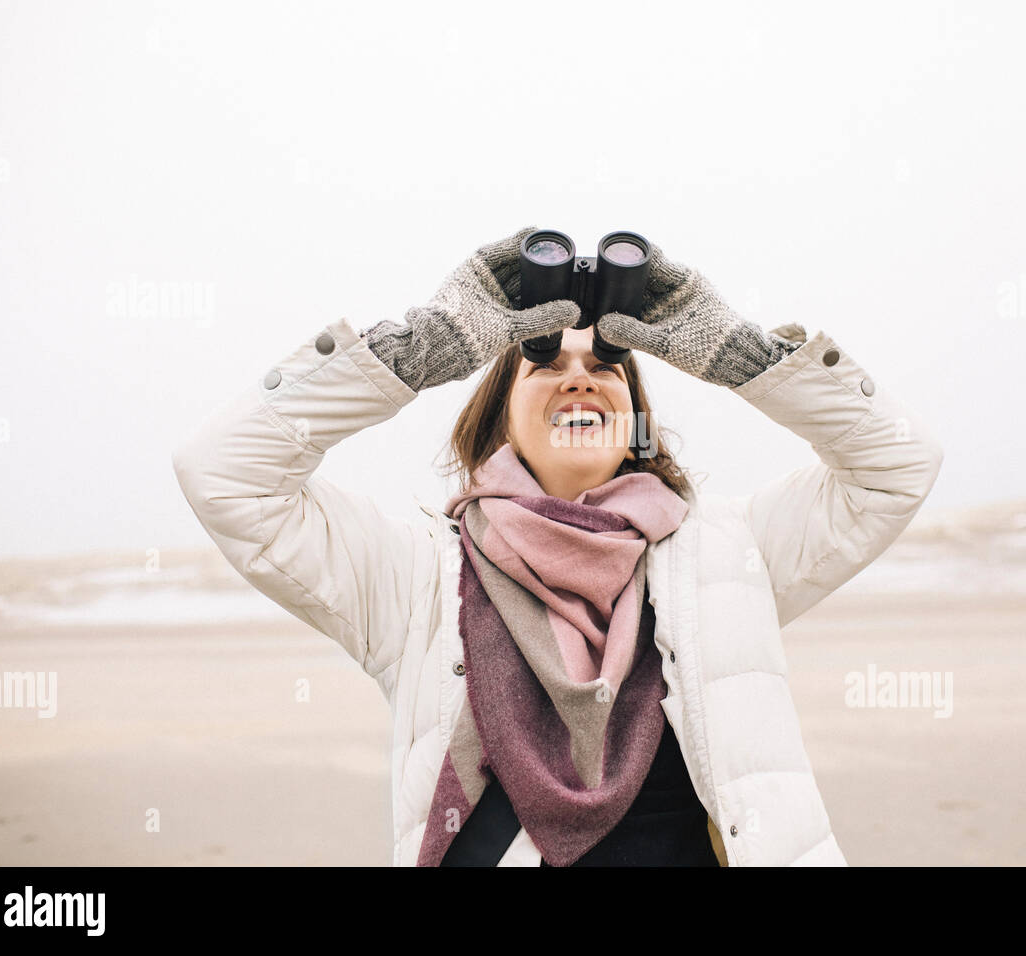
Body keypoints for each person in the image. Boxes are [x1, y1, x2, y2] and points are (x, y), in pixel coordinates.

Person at [171, 225, 944, 866]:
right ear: (500, 416)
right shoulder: (416, 577)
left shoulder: (725, 556)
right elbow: (227, 476)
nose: (581, 379)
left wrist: (741, 356)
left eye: (607, 367)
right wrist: (417, 352)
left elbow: (895, 470)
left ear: (635, 418)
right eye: (543, 363)